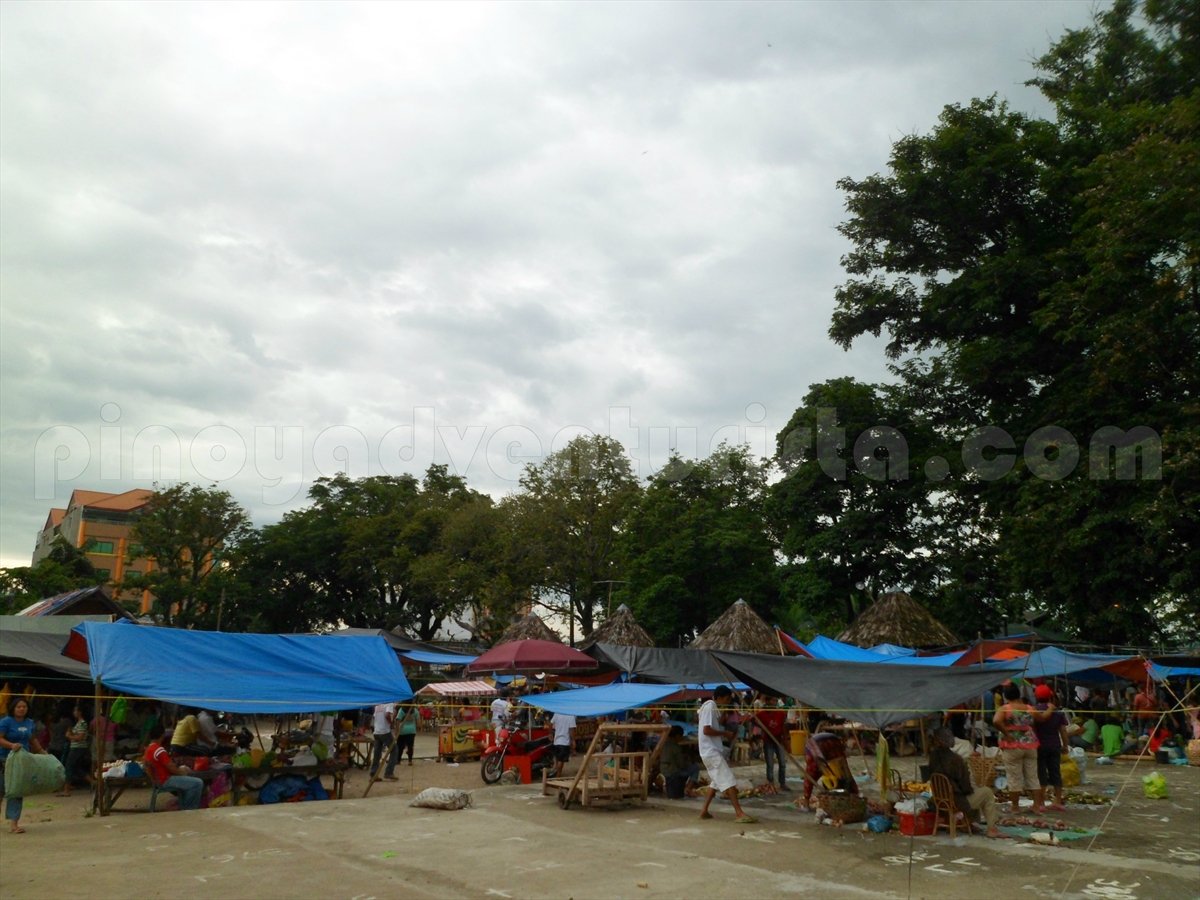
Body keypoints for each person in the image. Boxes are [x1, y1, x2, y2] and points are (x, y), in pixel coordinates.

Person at [927, 727, 1004, 839]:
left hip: (940, 799)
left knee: (976, 792)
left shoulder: (932, 756)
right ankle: (992, 829)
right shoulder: (956, 759)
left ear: (936, 741)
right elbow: (965, 787)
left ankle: (968, 823)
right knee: (986, 792)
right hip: (954, 800)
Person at [697, 686, 756, 824]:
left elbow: (712, 726)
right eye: (727, 699)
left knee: (716, 782)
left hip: (710, 751)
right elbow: (707, 730)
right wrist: (725, 734)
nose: (728, 702)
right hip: (710, 751)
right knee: (729, 780)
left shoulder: (713, 709)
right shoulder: (710, 706)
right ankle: (739, 813)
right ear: (720, 697)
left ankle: (704, 811)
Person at [993, 683, 1049, 814]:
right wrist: (1050, 709)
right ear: (1019, 695)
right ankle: (1036, 805)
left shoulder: (1005, 708)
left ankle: (1015, 806)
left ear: (1006, 697)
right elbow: (1041, 718)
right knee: (1033, 776)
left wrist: (1006, 733)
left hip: (1012, 745)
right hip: (1030, 744)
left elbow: (996, 721)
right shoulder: (1030, 708)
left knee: (1014, 776)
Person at [0, 698, 49, 833]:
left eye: (24, 707)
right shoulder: (6, 722)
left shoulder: (29, 723)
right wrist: (11, 745)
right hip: (4, 759)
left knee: (17, 790)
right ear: (13, 708)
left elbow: (32, 739)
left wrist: (43, 753)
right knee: (1, 791)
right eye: (19, 707)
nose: (21, 709)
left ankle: (14, 824)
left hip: (22, 762)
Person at [144, 721, 204, 810]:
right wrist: (182, 773)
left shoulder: (148, 749)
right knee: (198, 783)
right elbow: (171, 768)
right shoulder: (159, 750)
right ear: (162, 735)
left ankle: (184, 806)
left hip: (158, 780)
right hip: (165, 780)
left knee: (188, 783)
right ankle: (190, 808)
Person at [803, 725, 857, 809]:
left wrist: (807, 796)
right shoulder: (811, 752)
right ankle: (854, 793)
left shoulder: (809, 753)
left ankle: (806, 803)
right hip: (834, 740)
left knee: (810, 774)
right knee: (843, 769)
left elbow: (810, 776)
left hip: (819, 744)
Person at [1033, 685, 1069, 811]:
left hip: (1040, 745)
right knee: (1055, 772)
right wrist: (1065, 746)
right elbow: (1063, 730)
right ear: (1049, 696)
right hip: (1055, 745)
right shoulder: (1057, 712)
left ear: (1036, 696)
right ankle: (1058, 801)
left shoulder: (1034, 710)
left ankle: (1041, 802)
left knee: (1041, 773)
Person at [754, 695, 789, 792]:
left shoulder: (780, 713)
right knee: (770, 763)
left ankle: (782, 783)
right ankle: (770, 783)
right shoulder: (762, 713)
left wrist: (785, 738)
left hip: (779, 740)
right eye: (773, 701)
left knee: (782, 763)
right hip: (768, 740)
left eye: (775, 701)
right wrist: (761, 726)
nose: (775, 703)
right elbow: (752, 719)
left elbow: (783, 726)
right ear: (767, 701)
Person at [659, 725, 701, 799]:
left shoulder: (664, 743)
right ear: (677, 736)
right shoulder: (676, 747)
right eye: (681, 736)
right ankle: (688, 788)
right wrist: (687, 760)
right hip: (673, 771)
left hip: (663, 769)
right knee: (695, 768)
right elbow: (681, 765)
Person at [60, 706, 92, 796]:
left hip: (78, 748)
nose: (74, 712)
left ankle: (66, 790)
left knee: (69, 766)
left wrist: (69, 736)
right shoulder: (78, 723)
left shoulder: (82, 723)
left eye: (75, 710)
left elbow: (80, 737)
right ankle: (95, 784)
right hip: (77, 747)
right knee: (77, 769)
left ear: (79, 712)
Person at [370, 702, 399, 781]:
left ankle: (373, 773)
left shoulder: (378, 705)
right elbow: (387, 715)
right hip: (384, 731)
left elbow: (375, 717)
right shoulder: (389, 703)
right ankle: (389, 772)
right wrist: (392, 723)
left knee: (377, 753)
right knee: (394, 750)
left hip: (377, 731)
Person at [550, 711, 576, 777]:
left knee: (557, 759)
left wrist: (550, 734)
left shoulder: (557, 714)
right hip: (564, 742)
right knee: (561, 760)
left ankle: (556, 773)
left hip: (556, 741)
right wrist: (573, 740)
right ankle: (558, 775)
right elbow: (572, 730)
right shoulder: (570, 716)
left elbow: (550, 724)